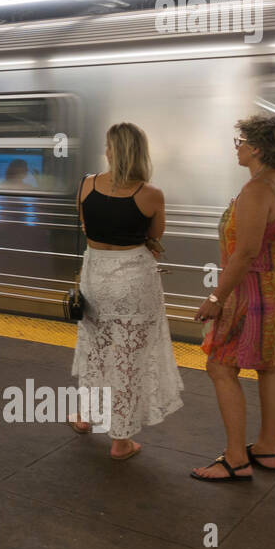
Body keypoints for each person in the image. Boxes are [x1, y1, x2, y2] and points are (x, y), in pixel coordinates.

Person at [191, 114, 275, 484]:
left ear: (255, 147)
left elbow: (245, 252)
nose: (236, 148)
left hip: (250, 295)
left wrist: (215, 297)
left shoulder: (257, 190)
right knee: (270, 366)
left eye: (239, 142)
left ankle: (236, 458)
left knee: (220, 367)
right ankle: (266, 448)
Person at [69, 122, 183, 459]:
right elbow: (155, 235)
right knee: (128, 358)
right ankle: (120, 440)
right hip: (134, 281)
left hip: (96, 275)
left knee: (95, 348)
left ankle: (86, 416)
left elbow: (86, 225)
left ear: (111, 150)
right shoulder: (150, 194)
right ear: (140, 153)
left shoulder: (86, 185)